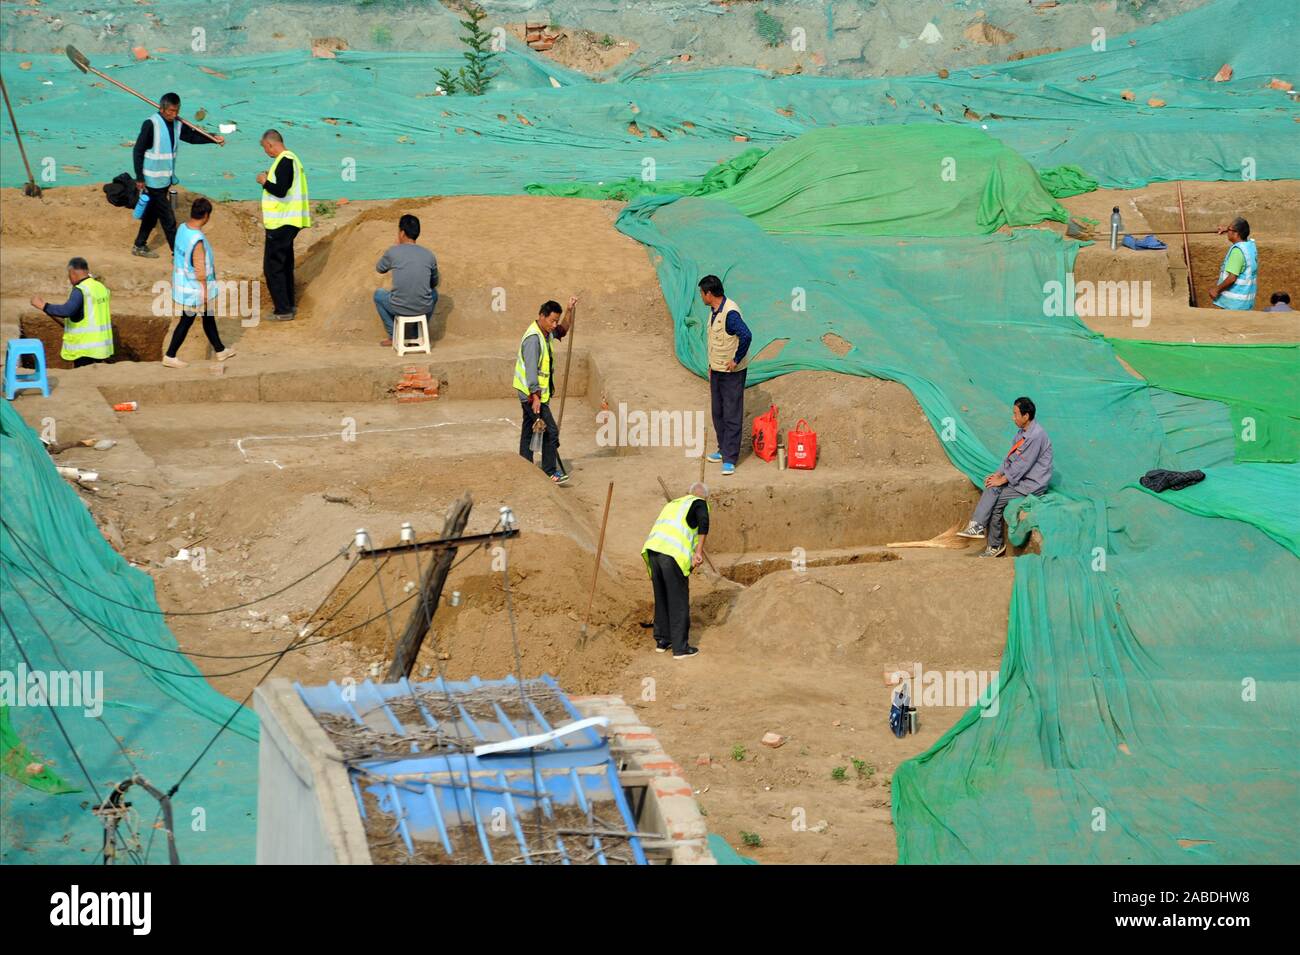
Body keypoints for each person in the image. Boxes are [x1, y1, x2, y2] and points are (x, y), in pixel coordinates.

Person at [956, 397, 1053, 558]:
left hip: (1031, 485)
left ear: (1026, 416)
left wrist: (1003, 479)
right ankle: (977, 525)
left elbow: (1023, 464)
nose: (1013, 417)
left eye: (1015, 414)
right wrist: (998, 474)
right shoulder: (1022, 432)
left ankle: (995, 545)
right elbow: (1010, 458)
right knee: (991, 485)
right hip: (1020, 479)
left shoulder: (1036, 436)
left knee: (997, 501)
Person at [131, 92, 224, 258]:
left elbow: (192, 137)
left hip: (165, 179)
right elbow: (138, 150)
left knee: (152, 215)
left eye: (176, 111)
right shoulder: (151, 124)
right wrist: (139, 177)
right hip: (152, 180)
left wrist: (212, 138)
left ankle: (139, 245)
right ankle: (178, 254)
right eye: (170, 111)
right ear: (162, 108)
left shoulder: (176, 124)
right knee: (168, 219)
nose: (173, 115)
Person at [163, 197, 236, 368]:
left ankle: (220, 350)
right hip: (195, 289)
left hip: (184, 285)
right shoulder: (197, 239)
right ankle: (170, 355)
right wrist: (204, 293)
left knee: (208, 317)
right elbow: (201, 270)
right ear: (206, 216)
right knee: (187, 320)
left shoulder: (182, 228)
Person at [641, 482, 710, 660]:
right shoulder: (699, 503)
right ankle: (680, 648)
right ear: (704, 496)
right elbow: (703, 522)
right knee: (678, 600)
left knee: (662, 595)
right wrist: (698, 552)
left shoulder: (673, 504)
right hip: (672, 555)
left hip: (653, 551)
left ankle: (662, 640)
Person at [512, 298, 575, 485]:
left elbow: (563, 330)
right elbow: (531, 369)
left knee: (528, 430)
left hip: (535, 395)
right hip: (532, 396)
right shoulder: (533, 339)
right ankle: (549, 472)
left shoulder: (545, 332)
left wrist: (569, 311)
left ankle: (524, 466)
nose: (554, 324)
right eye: (552, 320)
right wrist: (536, 397)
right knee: (550, 431)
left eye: (556, 320)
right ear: (542, 316)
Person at [698, 275, 752, 476]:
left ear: (709, 294)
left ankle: (730, 458)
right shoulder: (713, 311)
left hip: (732, 373)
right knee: (718, 410)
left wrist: (736, 360)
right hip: (718, 370)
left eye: (702, 294)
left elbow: (746, 335)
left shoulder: (730, 314)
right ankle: (723, 448)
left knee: (732, 412)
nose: (701, 297)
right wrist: (712, 365)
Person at [257, 129, 311, 321]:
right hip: (288, 221)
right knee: (285, 263)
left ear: (271, 144)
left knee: (273, 267)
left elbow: (280, 190)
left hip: (281, 222)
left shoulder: (285, 160)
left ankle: (283, 310)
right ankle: (288, 305)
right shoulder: (291, 160)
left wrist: (264, 182)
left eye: (265, 148)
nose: (266, 152)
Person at [30, 258, 113, 368]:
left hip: (85, 348)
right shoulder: (100, 287)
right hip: (101, 346)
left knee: (84, 378)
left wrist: (43, 306)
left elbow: (67, 310)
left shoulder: (81, 289)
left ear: (72, 272)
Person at [374, 214, 439, 346]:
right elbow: (434, 282)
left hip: (398, 307)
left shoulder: (393, 252)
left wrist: (395, 248)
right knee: (434, 294)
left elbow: (380, 268)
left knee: (378, 295)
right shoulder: (429, 255)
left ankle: (393, 335)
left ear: (402, 233)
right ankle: (416, 334)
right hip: (423, 307)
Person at [1209, 217, 1257, 310]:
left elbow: (1232, 278)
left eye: (1229, 229)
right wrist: (1227, 230)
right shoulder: (1250, 246)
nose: (1227, 232)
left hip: (1234, 304)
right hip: (1245, 302)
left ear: (1236, 233)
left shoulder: (1237, 251)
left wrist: (1216, 289)